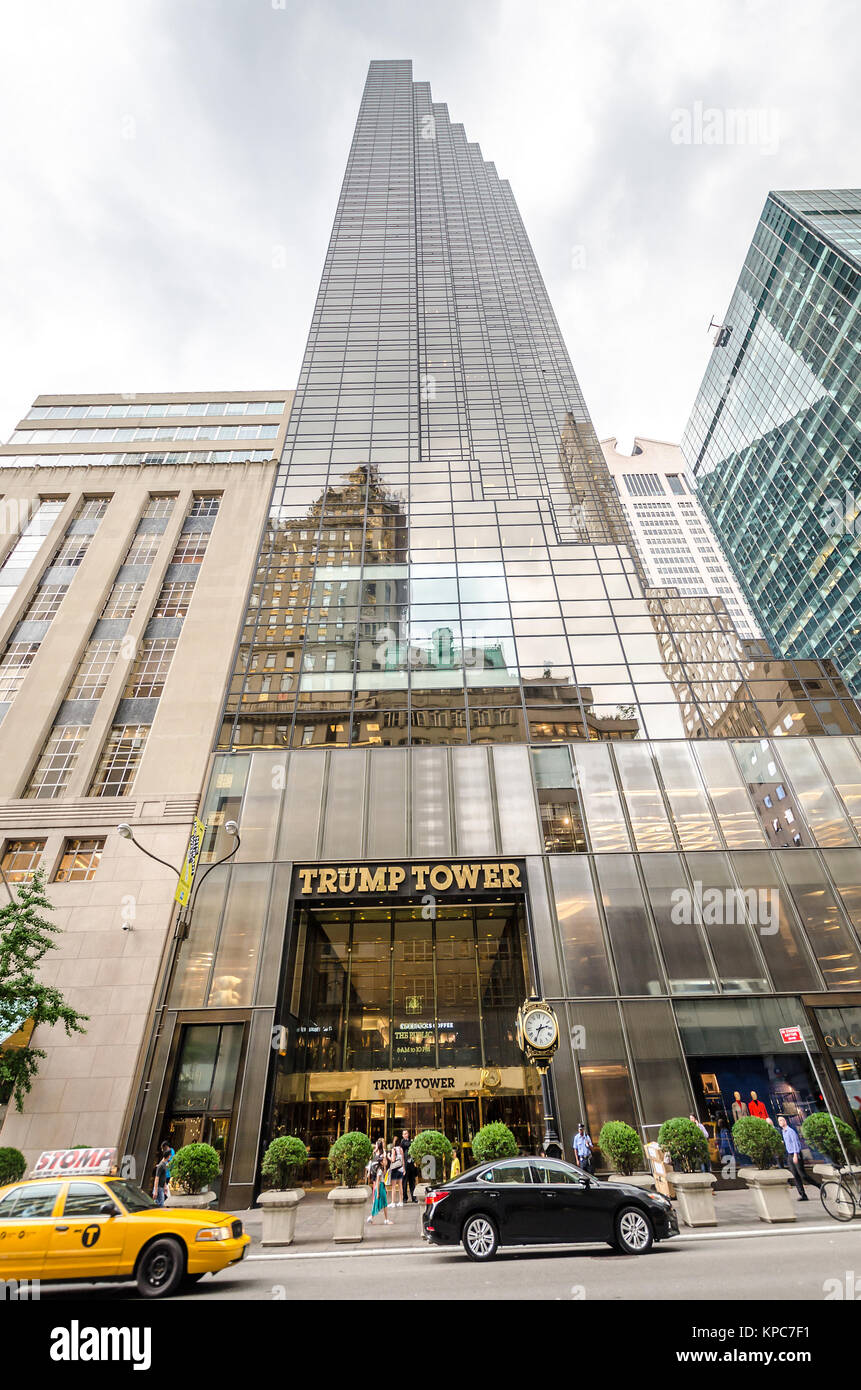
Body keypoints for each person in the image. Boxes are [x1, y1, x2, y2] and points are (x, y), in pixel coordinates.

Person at [778, 1116, 809, 1200]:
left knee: (803, 1175)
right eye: (779, 1121)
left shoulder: (791, 1131)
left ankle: (819, 1185)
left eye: (781, 1120)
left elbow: (796, 1143)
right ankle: (803, 1195)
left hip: (796, 1154)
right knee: (795, 1175)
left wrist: (795, 1155)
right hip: (789, 1155)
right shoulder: (783, 1132)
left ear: (785, 1121)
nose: (780, 1122)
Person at [367, 1139, 392, 1225]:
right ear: (381, 1162)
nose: (385, 1161)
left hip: (381, 1186)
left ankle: (383, 1219)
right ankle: (372, 1217)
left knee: (383, 1203)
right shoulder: (379, 1170)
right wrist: (377, 1192)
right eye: (384, 1161)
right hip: (379, 1186)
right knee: (379, 1202)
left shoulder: (381, 1168)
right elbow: (378, 1181)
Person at [153, 1142, 172, 1207]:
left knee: (160, 1205)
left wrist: (165, 1186)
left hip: (161, 1187)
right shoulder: (161, 1165)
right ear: (169, 1156)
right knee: (159, 1205)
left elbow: (163, 1177)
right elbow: (157, 1178)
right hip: (158, 1188)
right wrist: (155, 1191)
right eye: (170, 1155)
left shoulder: (164, 1164)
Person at [401, 1129, 418, 1202]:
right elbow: (407, 1144)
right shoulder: (402, 1142)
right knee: (404, 1182)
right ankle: (405, 1198)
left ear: (408, 1134)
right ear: (402, 1135)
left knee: (412, 1182)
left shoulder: (410, 1141)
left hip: (411, 1164)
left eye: (406, 1133)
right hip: (405, 1164)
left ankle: (414, 1198)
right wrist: (413, 1142)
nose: (405, 1135)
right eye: (404, 1134)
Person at [388, 1136, 405, 1207]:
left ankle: (393, 1202)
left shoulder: (394, 1149)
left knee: (394, 1187)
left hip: (395, 1169)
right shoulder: (401, 1149)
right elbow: (403, 1160)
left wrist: (388, 1156)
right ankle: (401, 1201)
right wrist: (404, 1169)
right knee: (400, 1185)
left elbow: (393, 1160)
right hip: (401, 1169)